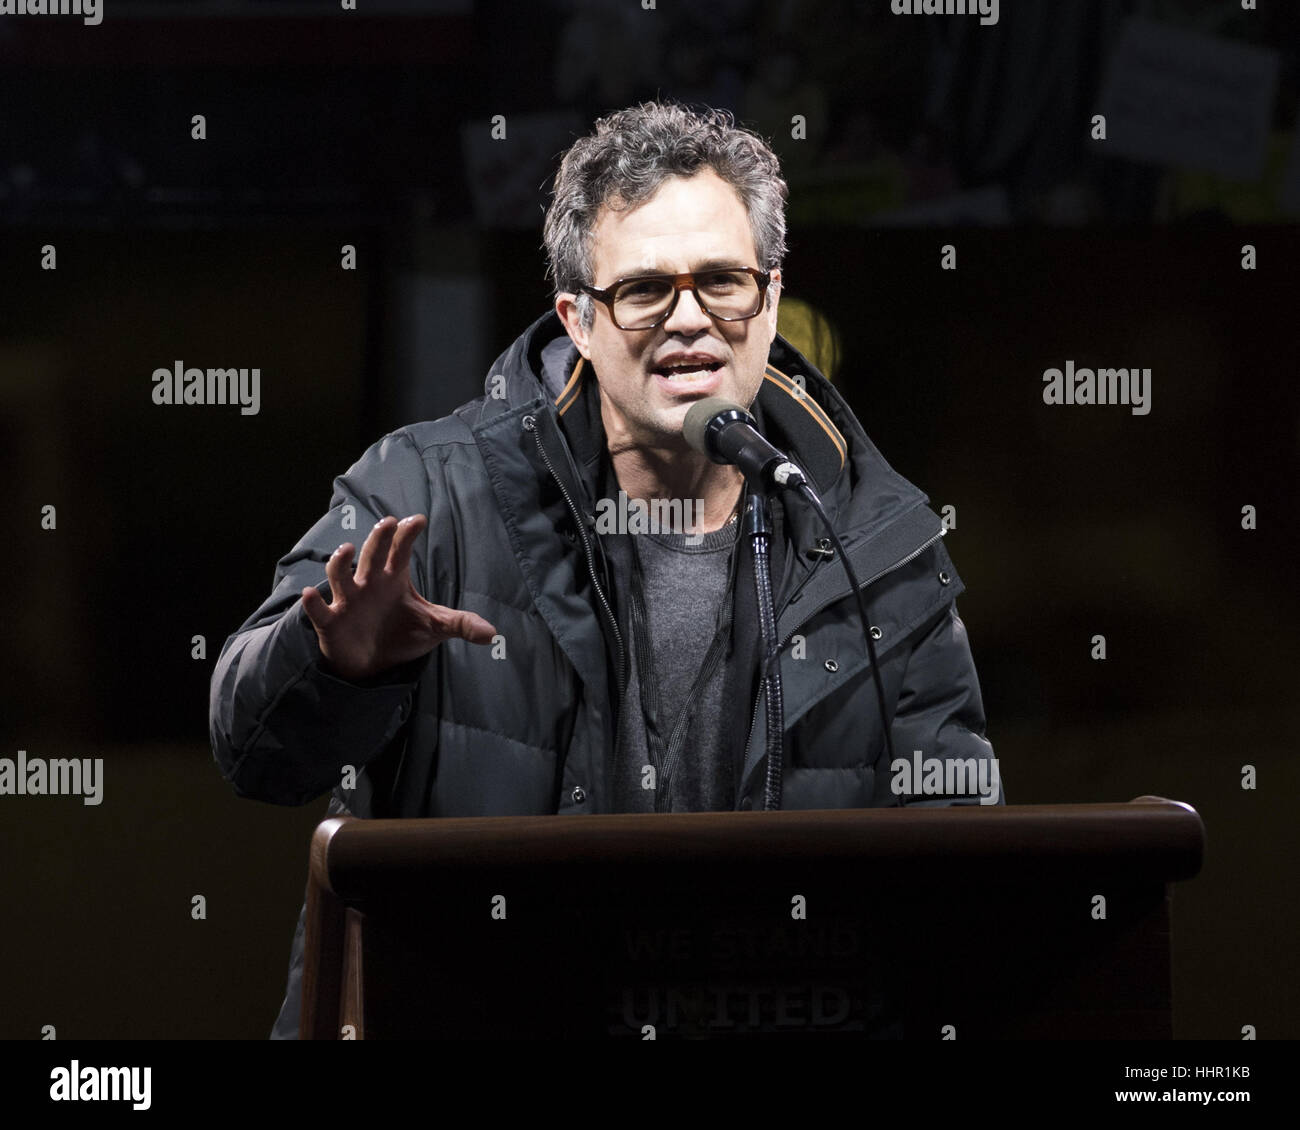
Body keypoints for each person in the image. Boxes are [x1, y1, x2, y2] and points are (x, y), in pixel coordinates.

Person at [208, 100, 1000, 1040]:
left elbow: (968, 869)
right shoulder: (429, 492)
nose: (691, 320)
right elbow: (254, 752)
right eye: (644, 291)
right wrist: (335, 664)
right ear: (578, 318)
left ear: (772, 297)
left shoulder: (878, 538)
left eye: (722, 282)